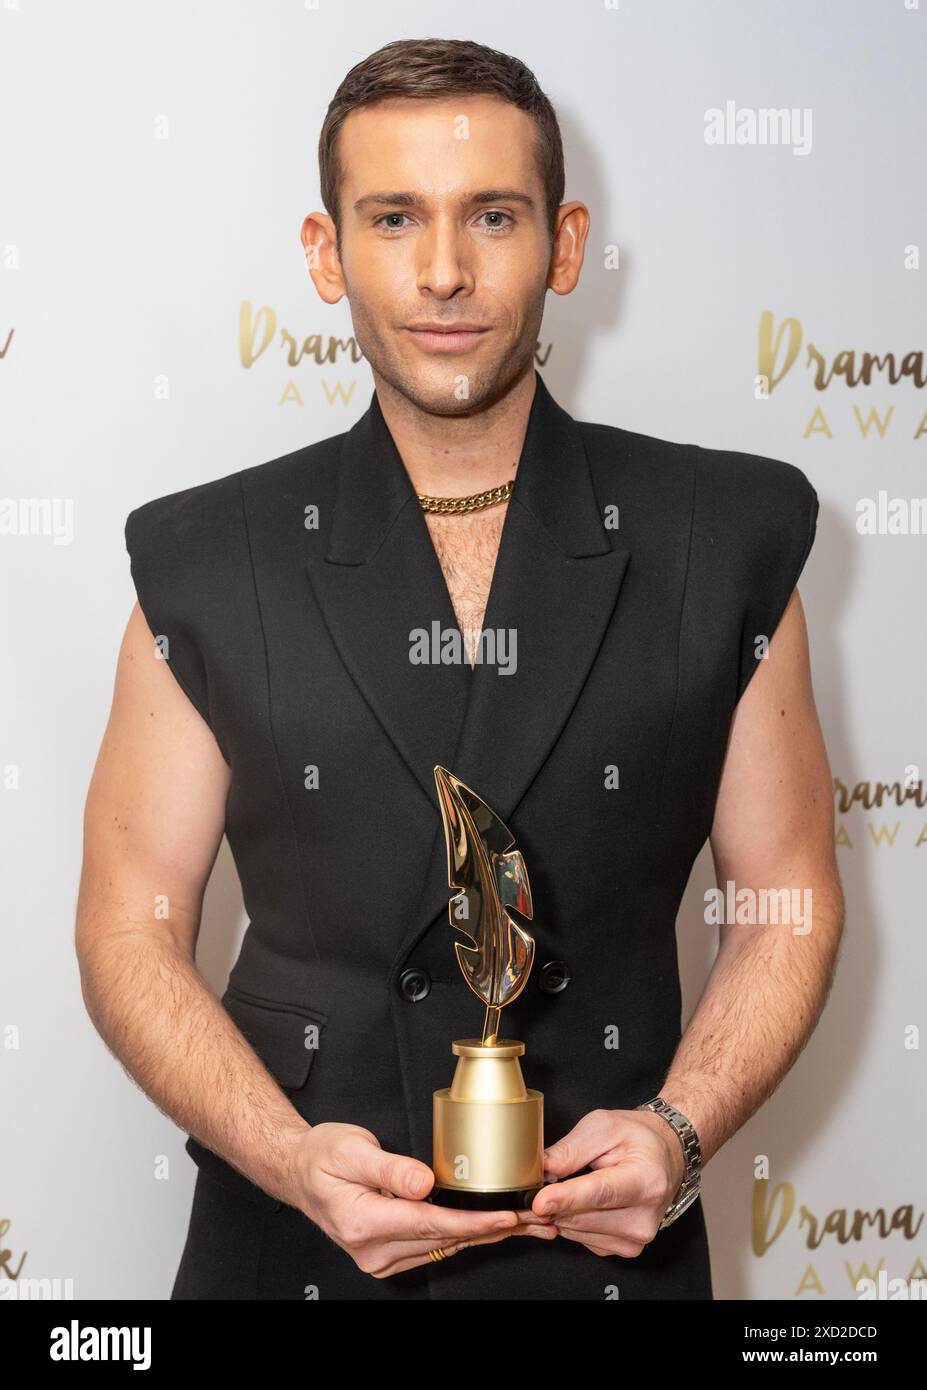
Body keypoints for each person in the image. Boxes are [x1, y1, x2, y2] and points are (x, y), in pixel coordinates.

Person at [75, 37, 844, 1300]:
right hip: (291, 1249)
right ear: (327, 255)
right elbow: (126, 925)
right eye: (394, 219)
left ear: (567, 243)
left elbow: (787, 901)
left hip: (604, 1257)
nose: (444, 272)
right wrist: (286, 1158)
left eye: (493, 215)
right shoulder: (208, 558)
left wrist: (682, 1134)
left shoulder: (724, 539)